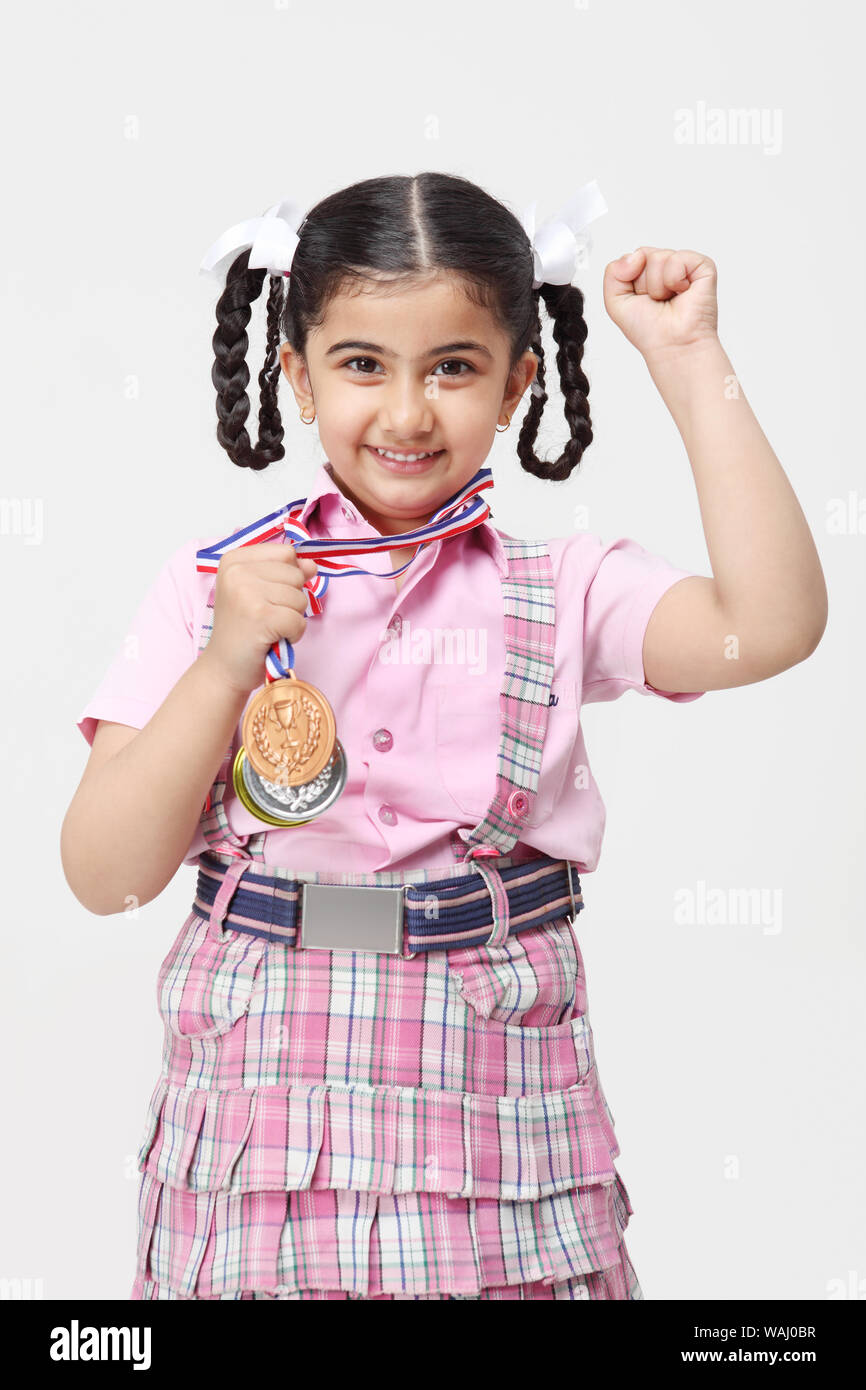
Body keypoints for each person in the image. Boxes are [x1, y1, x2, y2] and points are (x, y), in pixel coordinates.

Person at [61, 171, 827, 1300]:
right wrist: (227, 663)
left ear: (519, 381)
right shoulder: (213, 588)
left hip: (496, 1088)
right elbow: (106, 876)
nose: (408, 412)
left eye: (453, 366)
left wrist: (686, 361)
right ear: (297, 372)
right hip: (264, 1078)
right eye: (362, 363)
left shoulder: (563, 589)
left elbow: (764, 627)